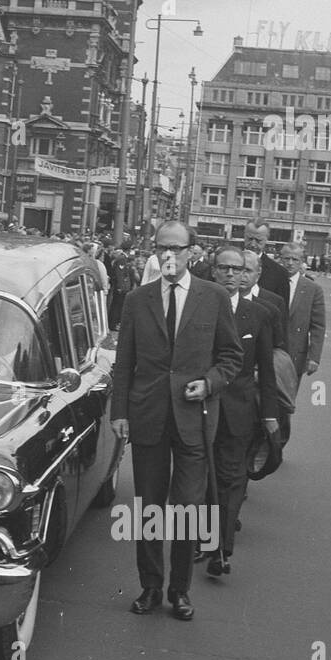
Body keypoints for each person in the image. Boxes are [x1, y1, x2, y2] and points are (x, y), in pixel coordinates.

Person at [110, 221, 243, 621]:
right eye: (162, 248)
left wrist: (208, 384)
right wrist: (119, 413)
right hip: (149, 415)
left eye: (177, 249)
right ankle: (150, 586)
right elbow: (124, 362)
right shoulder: (138, 299)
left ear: (192, 253)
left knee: (186, 507)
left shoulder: (214, 297)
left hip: (194, 420)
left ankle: (179, 590)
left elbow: (231, 357)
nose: (169, 256)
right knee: (149, 506)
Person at [203, 244, 279, 576]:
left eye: (239, 270)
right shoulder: (198, 308)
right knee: (201, 475)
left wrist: (271, 415)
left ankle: (220, 550)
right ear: (214, 271)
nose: (232, 275)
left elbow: (267, 368)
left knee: (232, 477)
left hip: (239, 409)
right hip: (201, 406)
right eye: (225, 269)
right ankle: (200, 540)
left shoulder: (259, 314)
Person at [278, 243, 325, 388]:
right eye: (286, 259)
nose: (290, 263)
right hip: (269, 350)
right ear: (280, 259)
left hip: (295, 353)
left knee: (287, 400)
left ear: (302, 261)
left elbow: (318, 326)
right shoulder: (270, 282)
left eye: (295, 259)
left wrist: (314, 358)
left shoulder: (312, 289)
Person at [243, 221, 289, 300]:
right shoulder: (228, 264)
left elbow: (282, 308)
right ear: (244, 236)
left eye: (258, 240)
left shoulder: (280, 273)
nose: (253, 244)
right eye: (250, 239)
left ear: (266, 239)